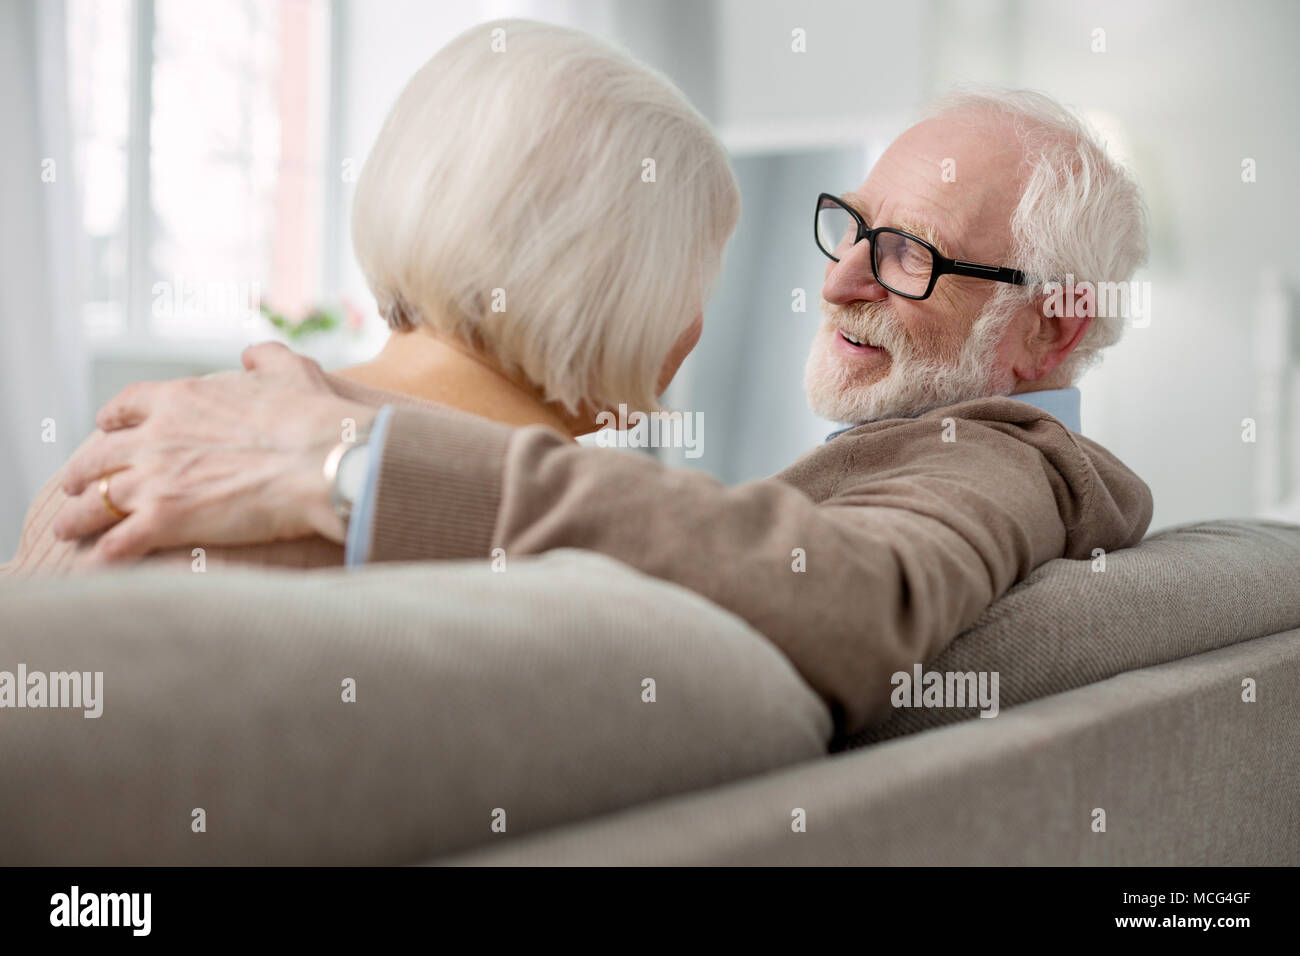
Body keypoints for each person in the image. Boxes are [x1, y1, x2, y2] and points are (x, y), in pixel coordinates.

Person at [44, 86, 1155, 737]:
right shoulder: (929, 444)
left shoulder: (1013, 463)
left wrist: (345, 464)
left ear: (1052, 328)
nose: (837, 281)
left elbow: (863, 596)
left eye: (906, 252)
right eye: (851, 225)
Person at [1, 18, 739, 575]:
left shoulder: (132, 449)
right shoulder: (601, 554)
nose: (696, 322)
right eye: (695, 279)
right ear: (630, 295)